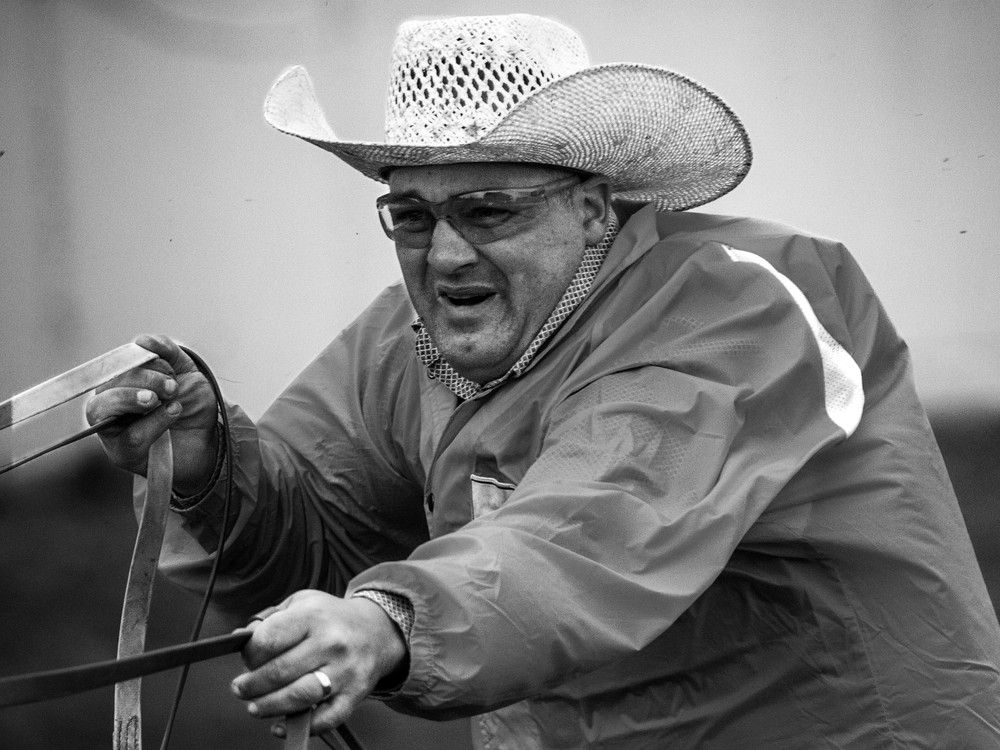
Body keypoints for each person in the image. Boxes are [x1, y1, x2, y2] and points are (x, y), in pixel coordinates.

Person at [86, 13, 1000, 749]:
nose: (445, 254)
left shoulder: (734, 303)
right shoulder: (409, 337)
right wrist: (205, 463)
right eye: (411, 216)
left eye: (490, 210)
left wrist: (389, 621)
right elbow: (317, 540)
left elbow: (589, 530)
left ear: (594, 205)